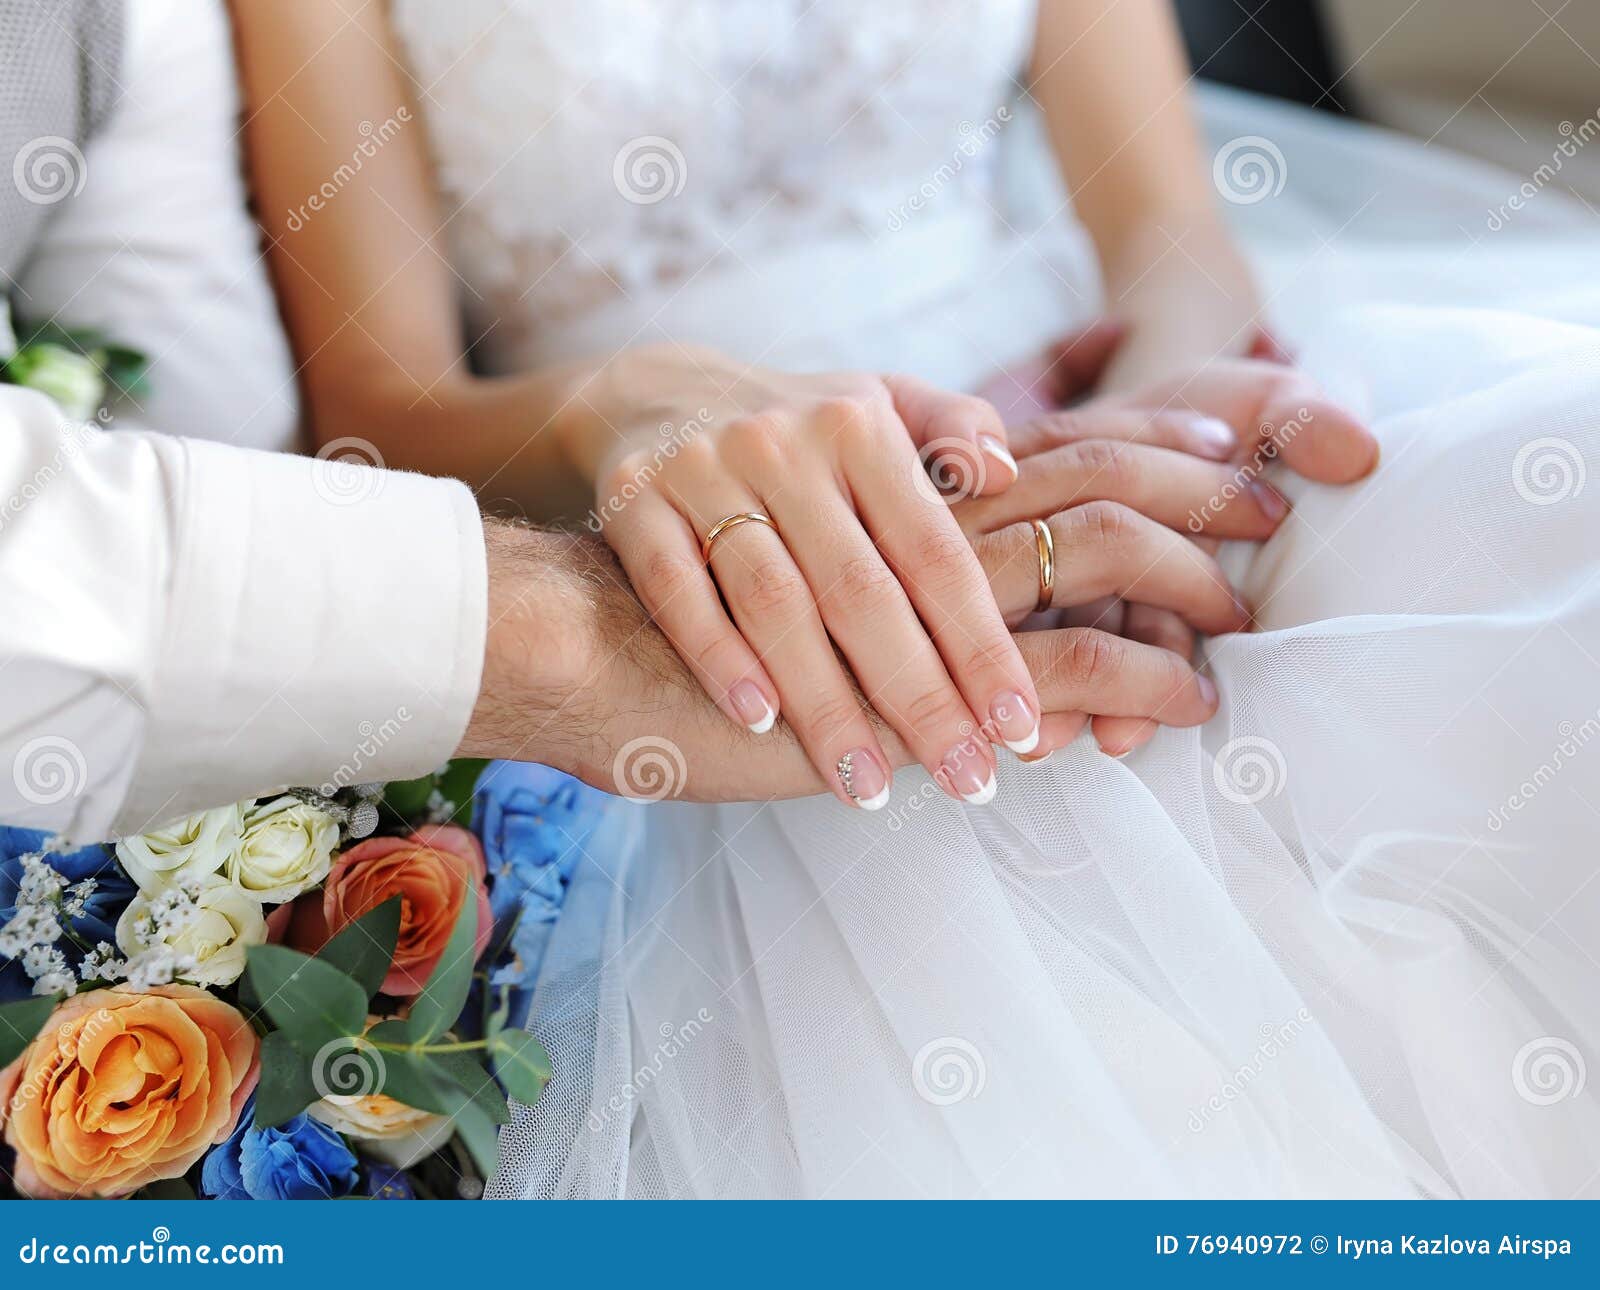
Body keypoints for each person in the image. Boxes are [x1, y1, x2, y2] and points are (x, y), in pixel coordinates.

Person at [222, 0, 1600, 1199]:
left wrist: (1129, 455)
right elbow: (377, 412)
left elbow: (1174, 232)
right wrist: (621, 411)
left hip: (1084, 405)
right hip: (711, 547)